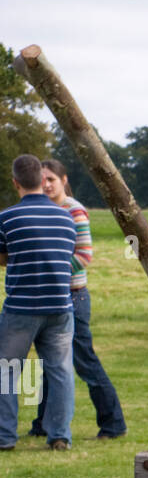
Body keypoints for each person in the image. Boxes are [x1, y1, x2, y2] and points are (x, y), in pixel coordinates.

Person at [31, 159, 126, 440]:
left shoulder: (74, 210)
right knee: (48, 364)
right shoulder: (42, 209)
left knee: (85, 362)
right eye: (42, 180)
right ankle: (42, 424)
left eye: (51, 179)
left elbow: (84, 257)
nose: (46, 184)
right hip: (48, 298)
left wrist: (47, 269)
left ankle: (113, 424)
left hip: (73, 297)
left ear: (63, 179)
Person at [0, 155, 77, 451]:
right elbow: (65, 256)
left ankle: (5, 436)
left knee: (7, 369)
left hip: (22, 307)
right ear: (43, 181)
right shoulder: (66, 217)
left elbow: (3, 257)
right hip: (60, 305)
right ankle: (59, 435)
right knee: (60, 372)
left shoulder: (7, 218)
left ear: (15, 182)